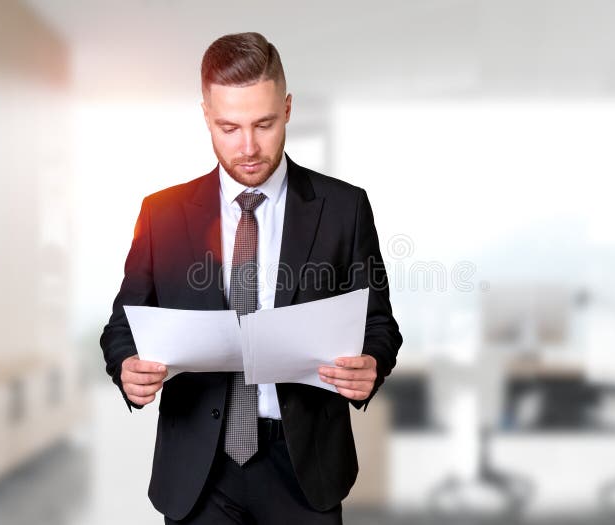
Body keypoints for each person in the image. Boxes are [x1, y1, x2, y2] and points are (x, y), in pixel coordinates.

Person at [100, 32, 402, 524]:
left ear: (287, 108)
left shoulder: (344, 208)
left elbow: (379, 324)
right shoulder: (161, 214)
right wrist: (126, 367)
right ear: (205, 116)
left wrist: (372, 364)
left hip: (304, 466)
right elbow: (122, 325)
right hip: (199, 466)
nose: (247, 147)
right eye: (228, 127)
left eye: (263, 124)